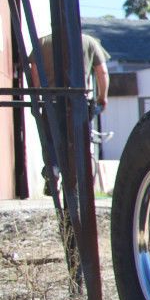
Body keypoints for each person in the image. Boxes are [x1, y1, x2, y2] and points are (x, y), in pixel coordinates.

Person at [30, 30, 109, 196]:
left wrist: (37, 97)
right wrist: (103, 97)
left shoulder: (43, 43)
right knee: (79, 142)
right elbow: (102, 72)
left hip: (51, 102)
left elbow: (35, 72)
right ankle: (78, 181)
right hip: (79, 103)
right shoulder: (89, 42)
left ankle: (53, 170)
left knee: (51, 142)